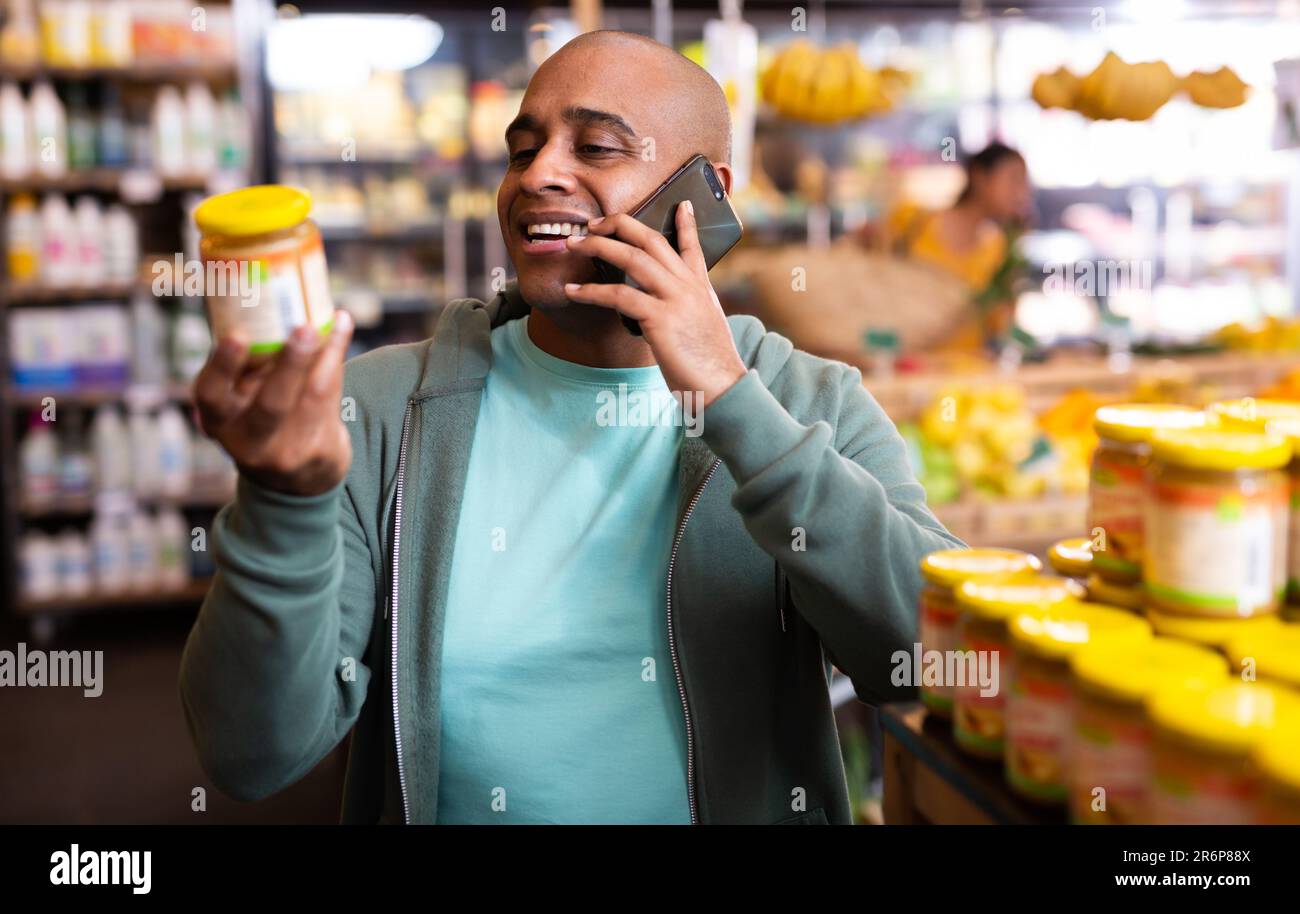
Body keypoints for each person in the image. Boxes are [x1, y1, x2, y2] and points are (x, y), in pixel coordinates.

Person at [179, 29, 963, 825]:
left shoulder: (807, 400)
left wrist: (734, 401)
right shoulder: (380, 409)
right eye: (523, 151)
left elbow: (941, 666)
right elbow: (252, 753)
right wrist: (282, 500)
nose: (540, 175)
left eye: (596, 146)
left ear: (706, 193)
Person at [864, 142, 1033, 351]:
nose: (1021, 193)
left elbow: (1001, 328)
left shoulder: (1000, 250)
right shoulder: (912, 221)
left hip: (967, 374)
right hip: (905, 369)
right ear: (979, 177)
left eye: (1024, 184)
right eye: (1014, 180)